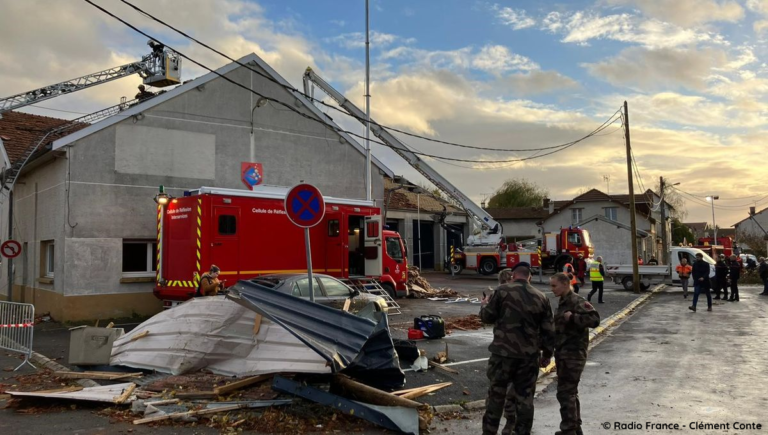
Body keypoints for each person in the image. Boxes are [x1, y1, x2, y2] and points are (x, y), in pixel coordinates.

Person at [480, 263, 555, 435]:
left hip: (502, 355)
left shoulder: (502, 291)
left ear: (513, 275)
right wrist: (547, 354)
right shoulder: (541, 297)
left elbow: (488, 317)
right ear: (530, 277)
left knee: (496, 396)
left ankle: (489, 431)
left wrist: (484, 305)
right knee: (525, 399)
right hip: (528, 357)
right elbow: (549, 330)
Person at [549, 273, 600, 435]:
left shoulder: (576, 301)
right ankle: (575, 427)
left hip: (573, 354)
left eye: (554, 285)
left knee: (565, 392)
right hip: (564, 353)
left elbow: (594, 319)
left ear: (565, 284)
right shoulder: (563, 301)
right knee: (570, 392)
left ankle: (569, 429)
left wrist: (573, 318)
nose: (552, 289)